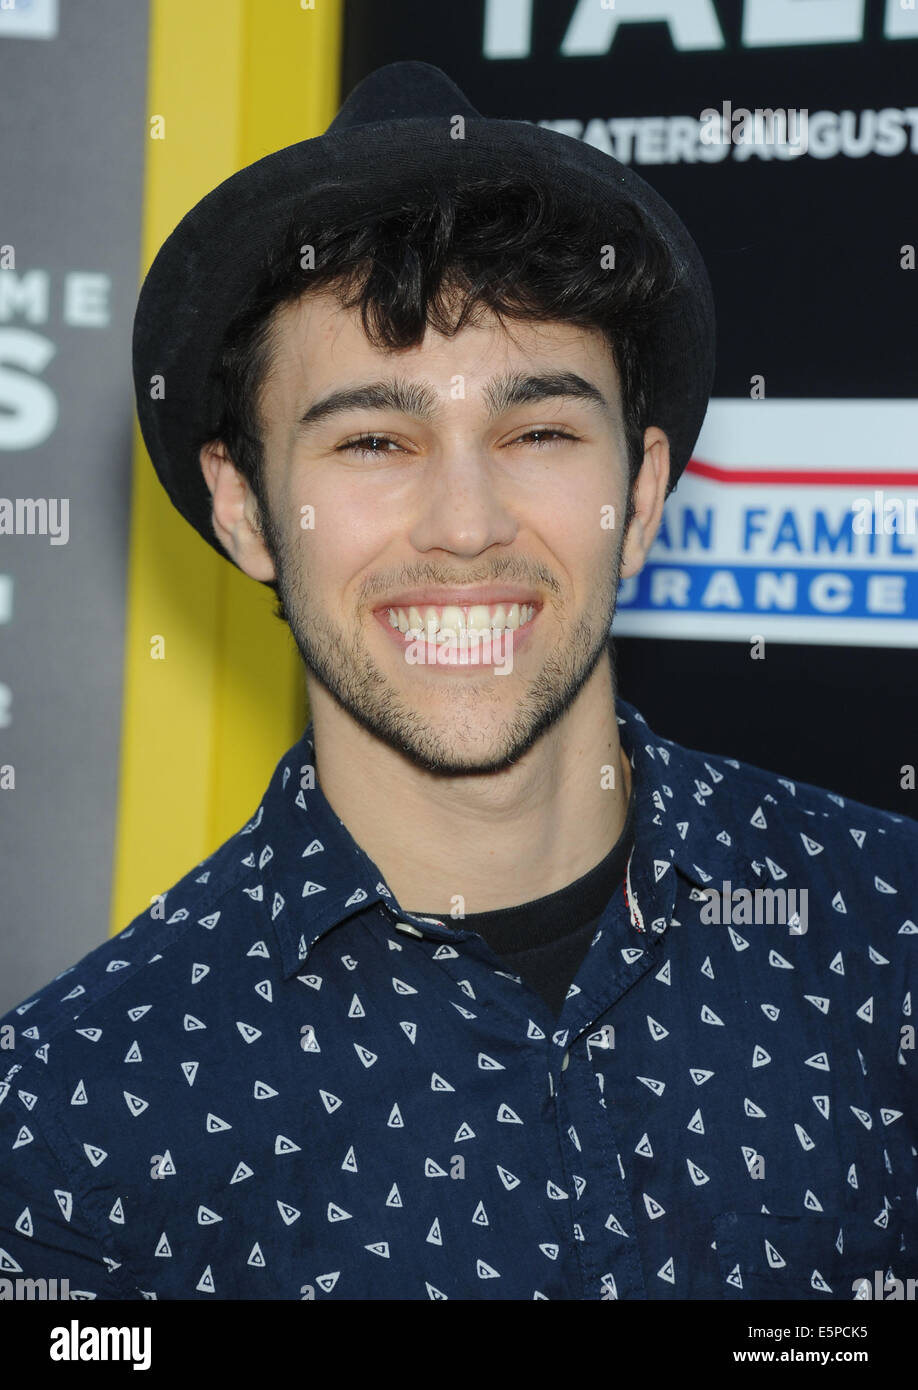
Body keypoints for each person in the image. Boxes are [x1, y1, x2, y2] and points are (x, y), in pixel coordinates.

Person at [0, 61, 914, 1303]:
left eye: (538, 432)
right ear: (247, 510)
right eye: (375, 439)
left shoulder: (887, 936)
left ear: (638, 495)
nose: (467, 523)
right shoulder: (76, 1111)